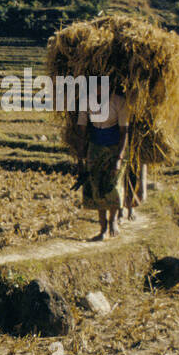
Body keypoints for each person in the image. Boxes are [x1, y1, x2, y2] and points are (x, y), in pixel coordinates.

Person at [76, 82, 130, 241]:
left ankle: (113, 220)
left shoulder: (119, 102)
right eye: (95, 86)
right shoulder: (86, 102)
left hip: (115, 146)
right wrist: (80, 158)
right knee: (96, 186)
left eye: (100, 85)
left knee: (112, 186)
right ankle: (103, 228)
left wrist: (119, 158)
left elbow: (124, 131)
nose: (97, 89)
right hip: (95, 146)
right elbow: (81, 130)